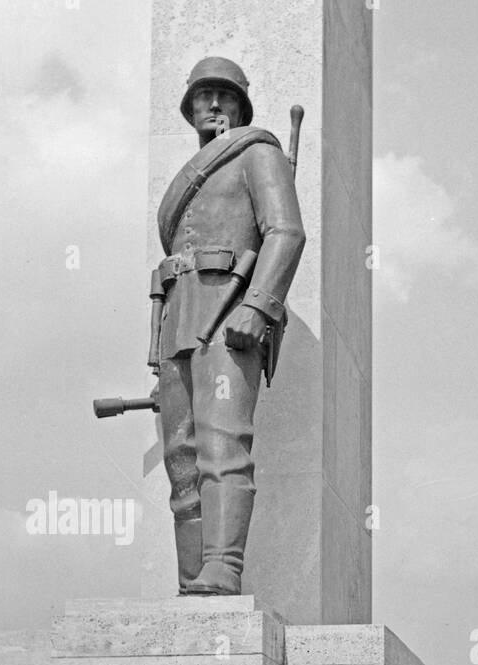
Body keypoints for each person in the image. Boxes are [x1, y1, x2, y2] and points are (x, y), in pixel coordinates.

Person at [151, 57, 305, 594]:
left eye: (224, 96)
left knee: (223, 444)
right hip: (177, 322)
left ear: (240, 106)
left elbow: (286, 232)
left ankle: (223, 566)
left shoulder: (258, 152)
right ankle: (192, 576)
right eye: (203, 96)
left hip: (229, 314)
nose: (213, 105)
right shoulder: (189, 178)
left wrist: (258, 307)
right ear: (190, 107)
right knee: (181, 459)